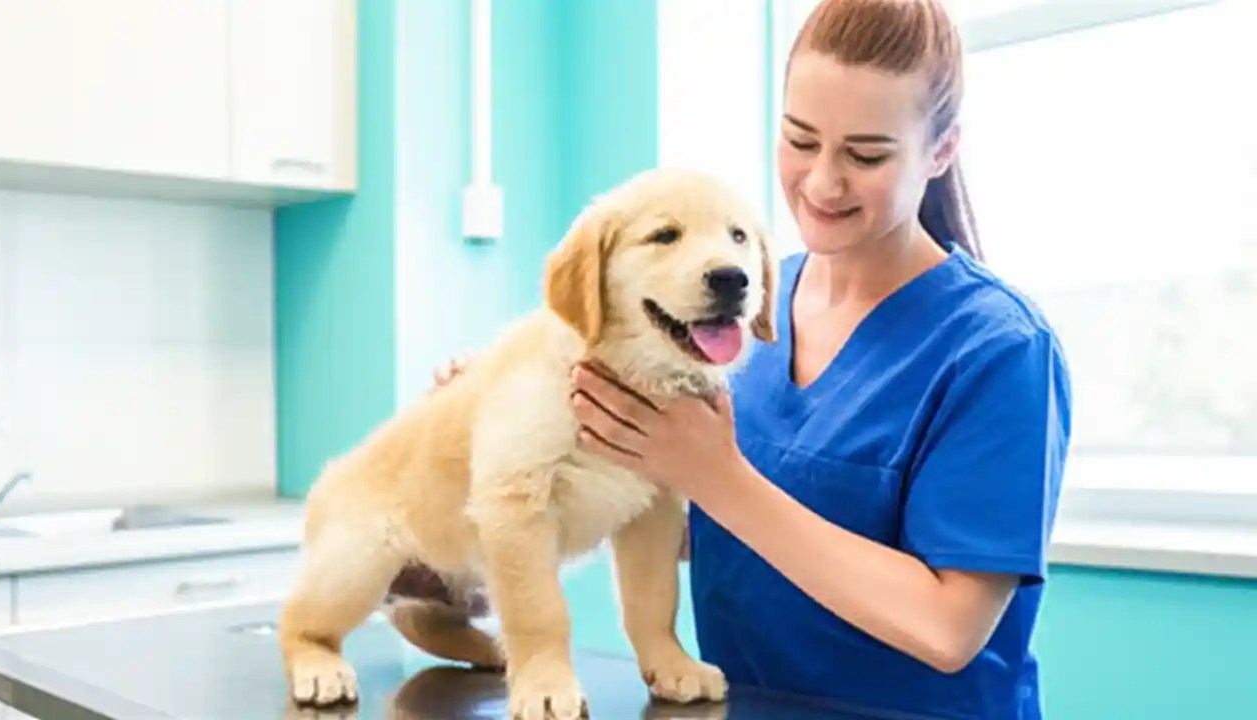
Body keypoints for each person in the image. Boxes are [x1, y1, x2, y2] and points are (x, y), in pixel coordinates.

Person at [408, 0, 1072, 717]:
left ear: (941, 150)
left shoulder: (999, 350)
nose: (821, 183)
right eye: (800, 139)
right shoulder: (725, 311)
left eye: (867, 154)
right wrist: (509, 454)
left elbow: (949, 629)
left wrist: (715, 477)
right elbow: (714, 532)